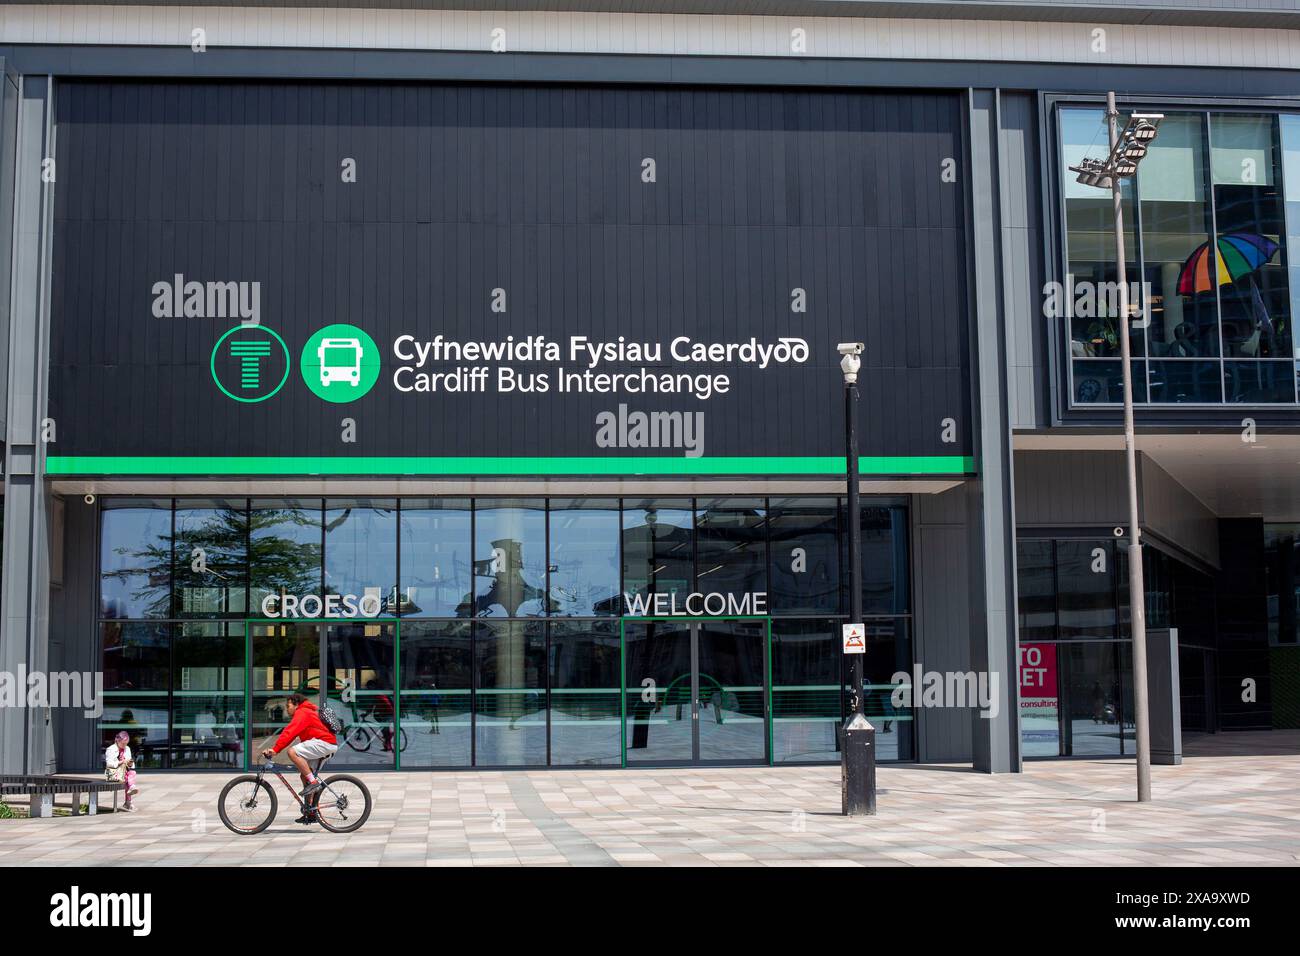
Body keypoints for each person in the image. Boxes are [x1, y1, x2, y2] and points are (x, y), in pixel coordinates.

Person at [261, 693, 338, 824]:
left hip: (324, 743)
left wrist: (275, 750)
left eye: (288, 705)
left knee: (292, 752)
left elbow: (290, 732)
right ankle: (311, 812)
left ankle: (314, 784)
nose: (286, 708)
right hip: (324, 744)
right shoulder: (306, 712)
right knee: (305, 776)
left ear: (296, 704)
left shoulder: (303, 712)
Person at [105, 731, 139, 811]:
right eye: (123, 743)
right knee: (130, 776)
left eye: (126, 743)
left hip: (124, 773)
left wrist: (130, 763)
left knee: (132, 773)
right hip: (112, 773)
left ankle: (129, 798)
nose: (124, 745)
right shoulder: (110, 749)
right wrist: (121, 762)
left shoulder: (127, 748)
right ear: (117, 741)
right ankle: (128, 802)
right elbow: (109, 764)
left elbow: (131, 765)